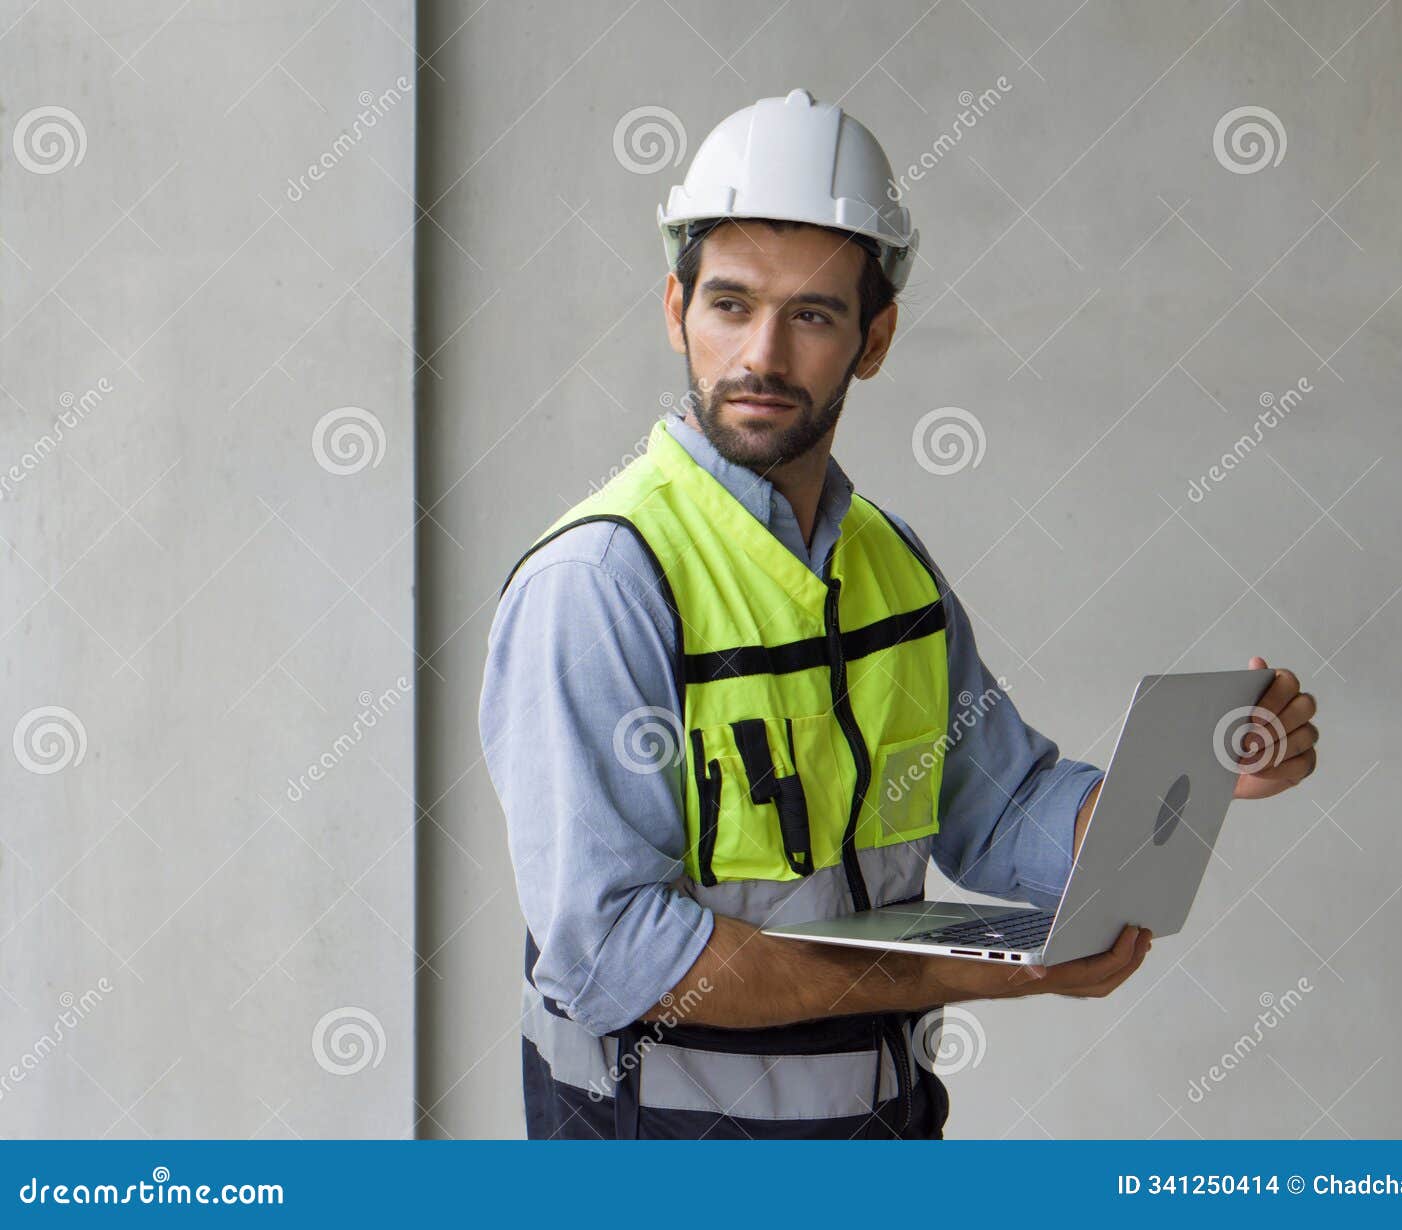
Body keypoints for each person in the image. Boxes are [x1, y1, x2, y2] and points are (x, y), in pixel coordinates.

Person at [479, 88, 1319, 1140]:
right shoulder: (605, 583)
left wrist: (1188, 785)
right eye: (730, 304)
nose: (762, 358)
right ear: (675, 311)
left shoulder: (891, 570)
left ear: (874, 339)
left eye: (814, 315)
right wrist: (988, 978)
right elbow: (615, 955)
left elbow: (1002, 809)